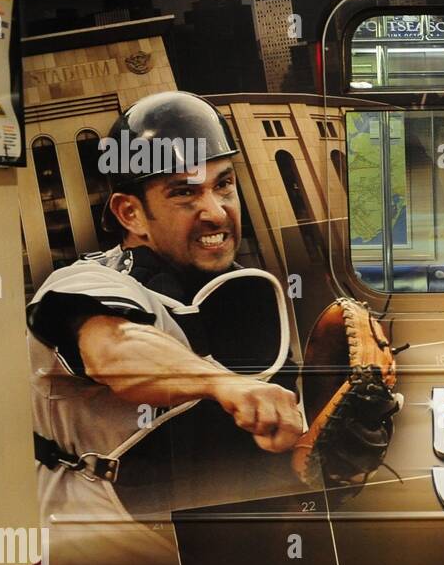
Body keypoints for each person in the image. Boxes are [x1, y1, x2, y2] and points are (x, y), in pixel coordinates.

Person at [27, 91, 304, 536]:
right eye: (184, 193)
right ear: (130, 212)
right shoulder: (81, 283)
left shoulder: (245, 291)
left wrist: (325, 449)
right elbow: (113, 349)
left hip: (219, 550)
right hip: (96, 547)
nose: (216, 211)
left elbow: (270, 443)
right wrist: (220, 383)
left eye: (224, 184)